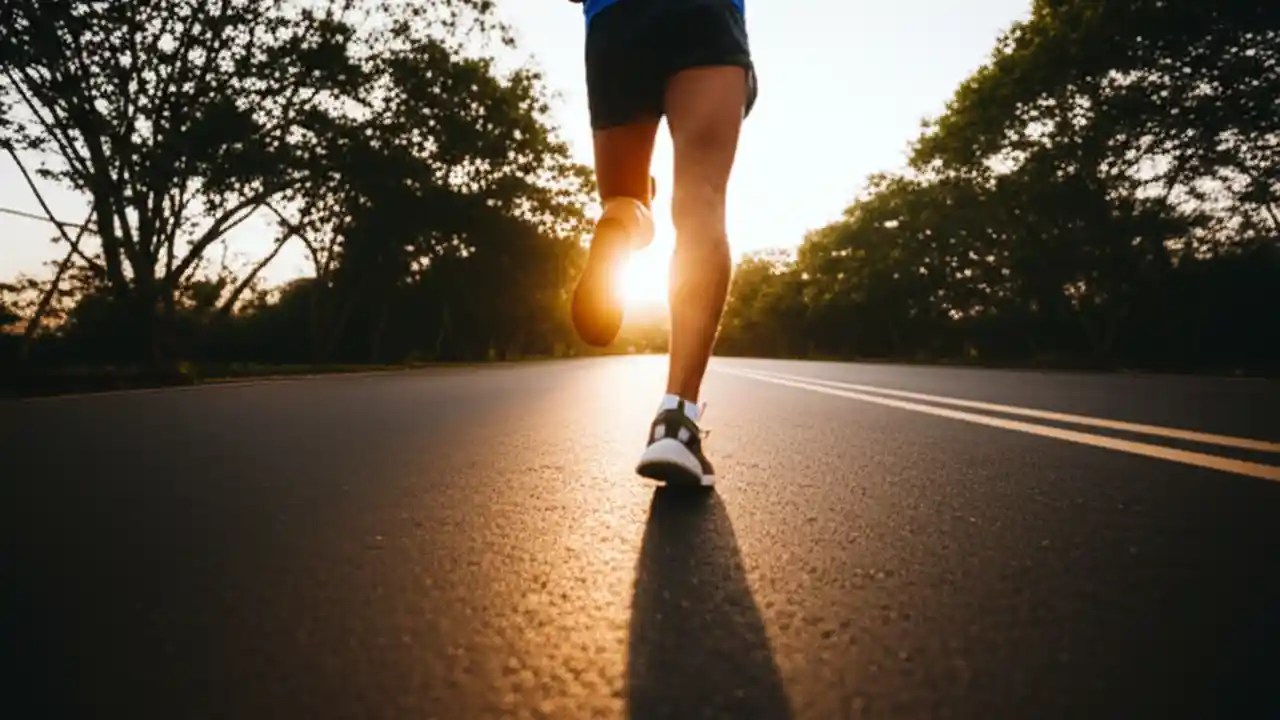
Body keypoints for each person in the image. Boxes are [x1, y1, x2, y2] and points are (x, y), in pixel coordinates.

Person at [568, 0, 757, 488]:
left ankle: (619, 226)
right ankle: (675, 421)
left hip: (616, 21)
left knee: (624, 198)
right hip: (702, 16)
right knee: (701, 206)